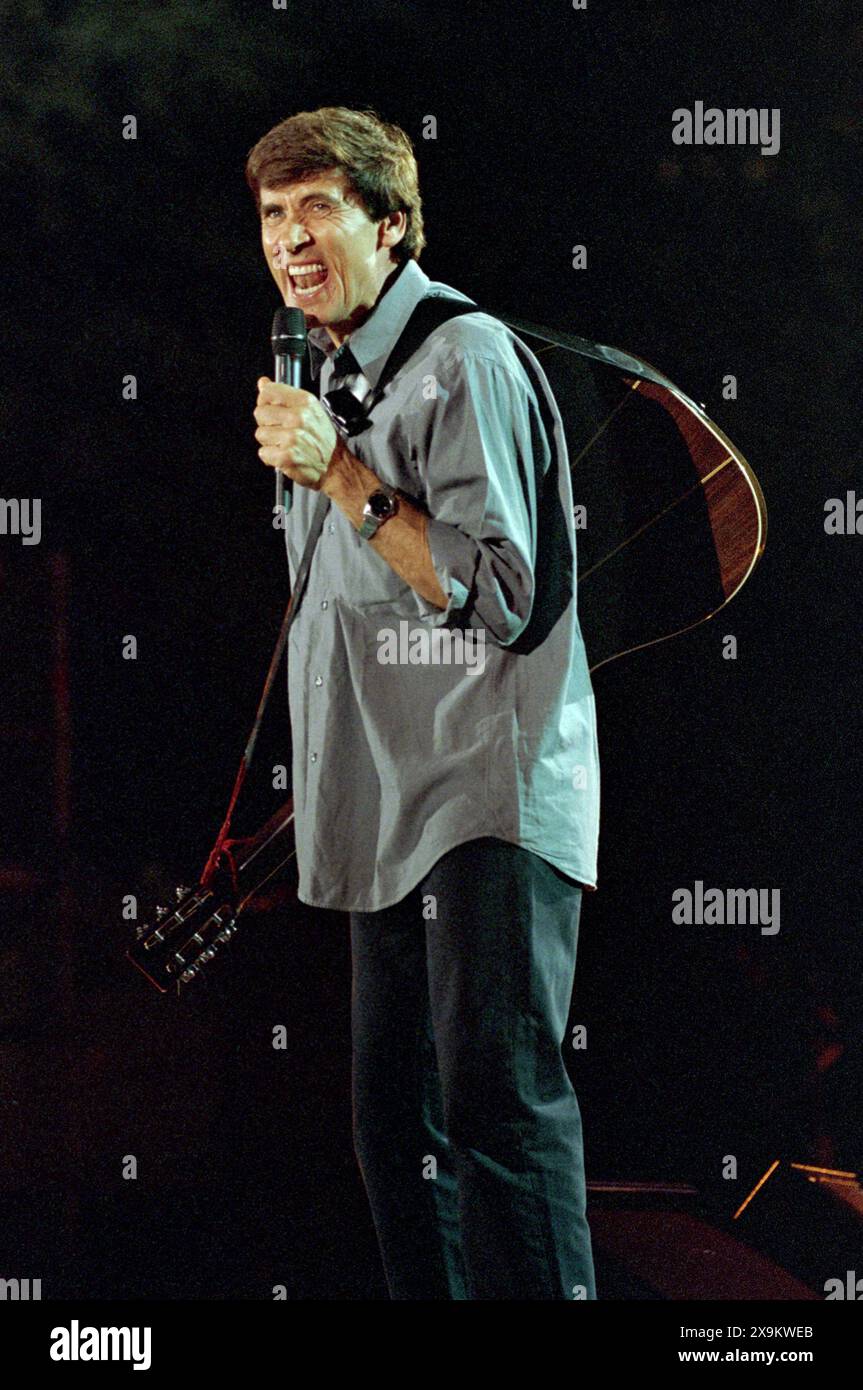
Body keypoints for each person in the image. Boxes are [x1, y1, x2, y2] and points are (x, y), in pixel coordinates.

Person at [247, 106, 600, 1300]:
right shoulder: (322, 383)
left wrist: (342, 474)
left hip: (482, 799)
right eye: (270, 215)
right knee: (390, 1136)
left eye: (316, 210)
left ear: (391, 226)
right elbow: (336, 628)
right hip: (382, 809)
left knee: (493, 1110)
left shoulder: (467, 359)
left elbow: (503, 596)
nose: (289, 240)